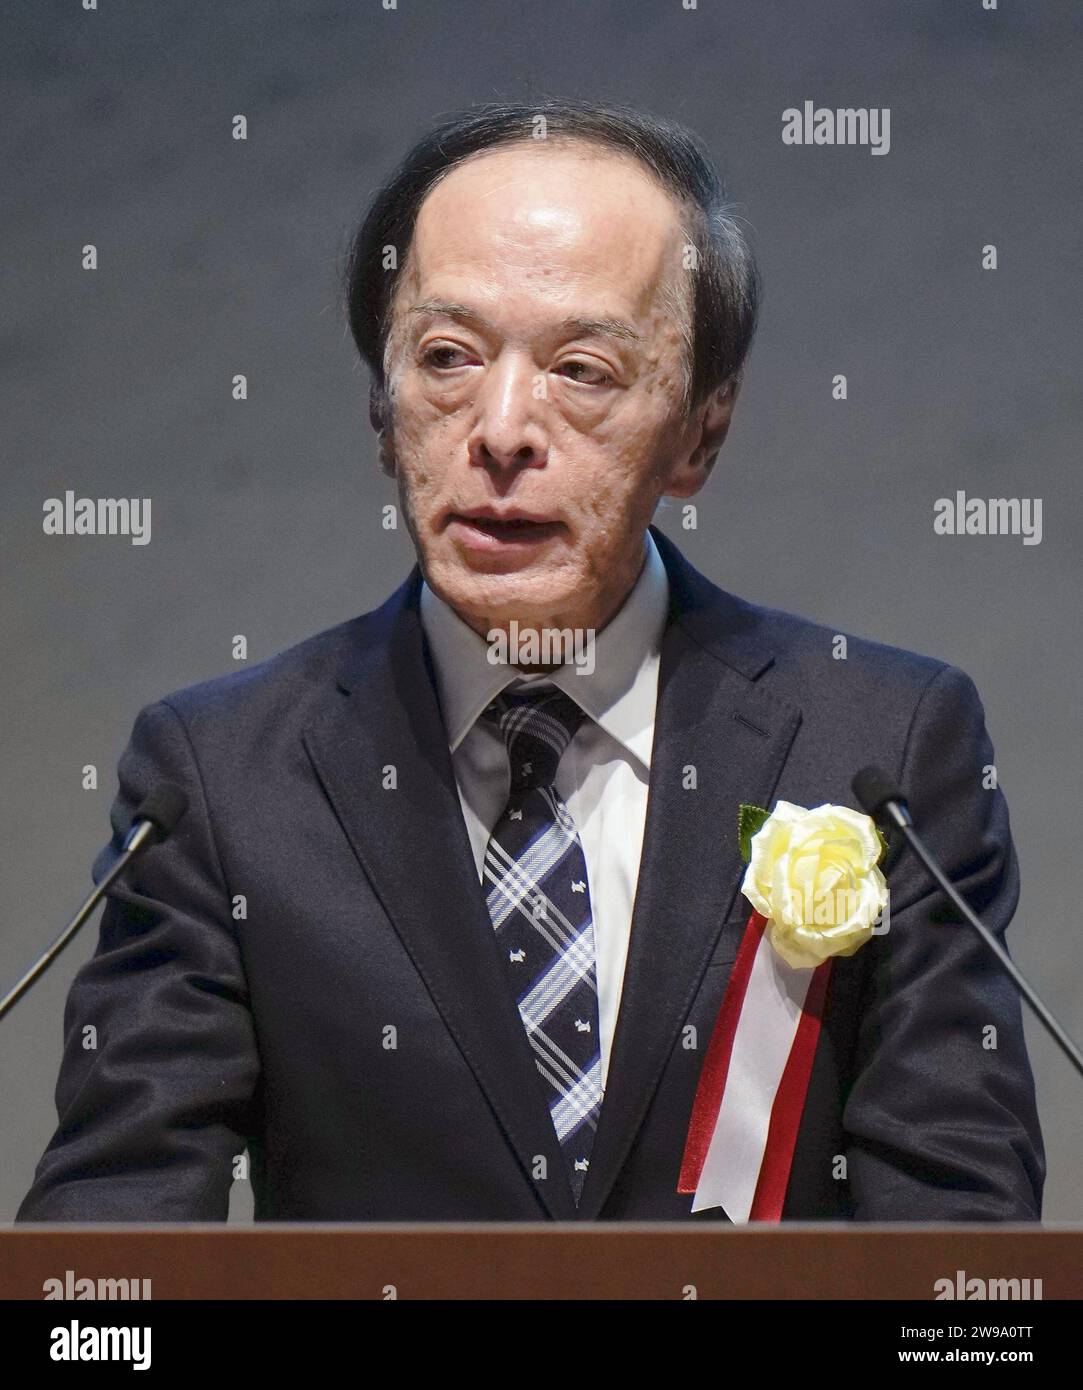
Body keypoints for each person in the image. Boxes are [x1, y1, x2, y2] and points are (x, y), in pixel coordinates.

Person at [17, 99, 1044, 1223]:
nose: (501, 427)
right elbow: (109, 1260)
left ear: (701, 431)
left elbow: (962, 1275)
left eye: (583, 367)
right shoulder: (216, 783)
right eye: (447, 356)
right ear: (379, 405)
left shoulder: (881, 748)